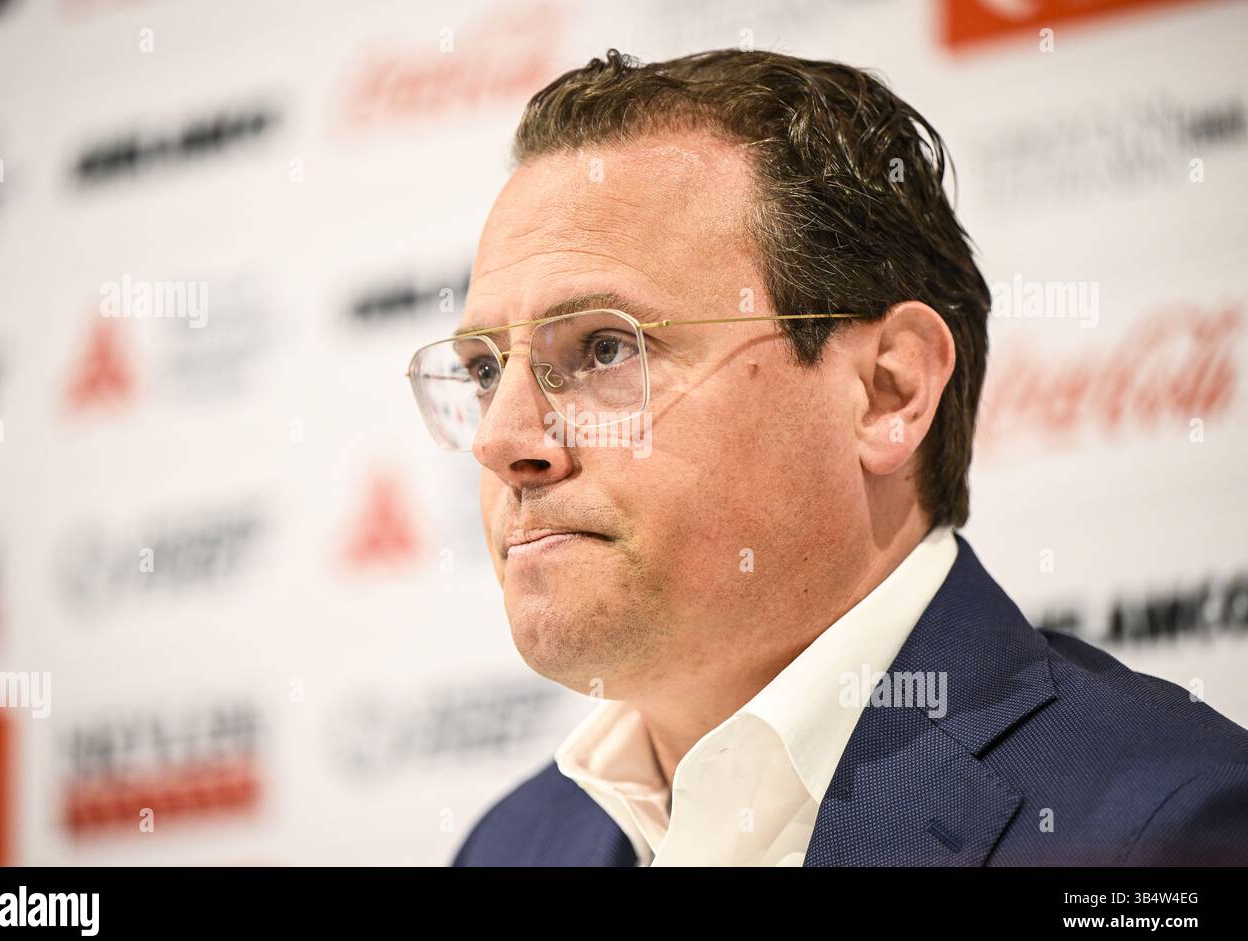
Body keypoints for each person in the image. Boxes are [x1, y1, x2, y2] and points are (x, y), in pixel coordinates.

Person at [404, 48, 1248, 865]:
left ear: (888, 392)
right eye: (484, 369)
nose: (502, 439)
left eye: (604, 350)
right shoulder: (510, 846)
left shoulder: (1159, 829)